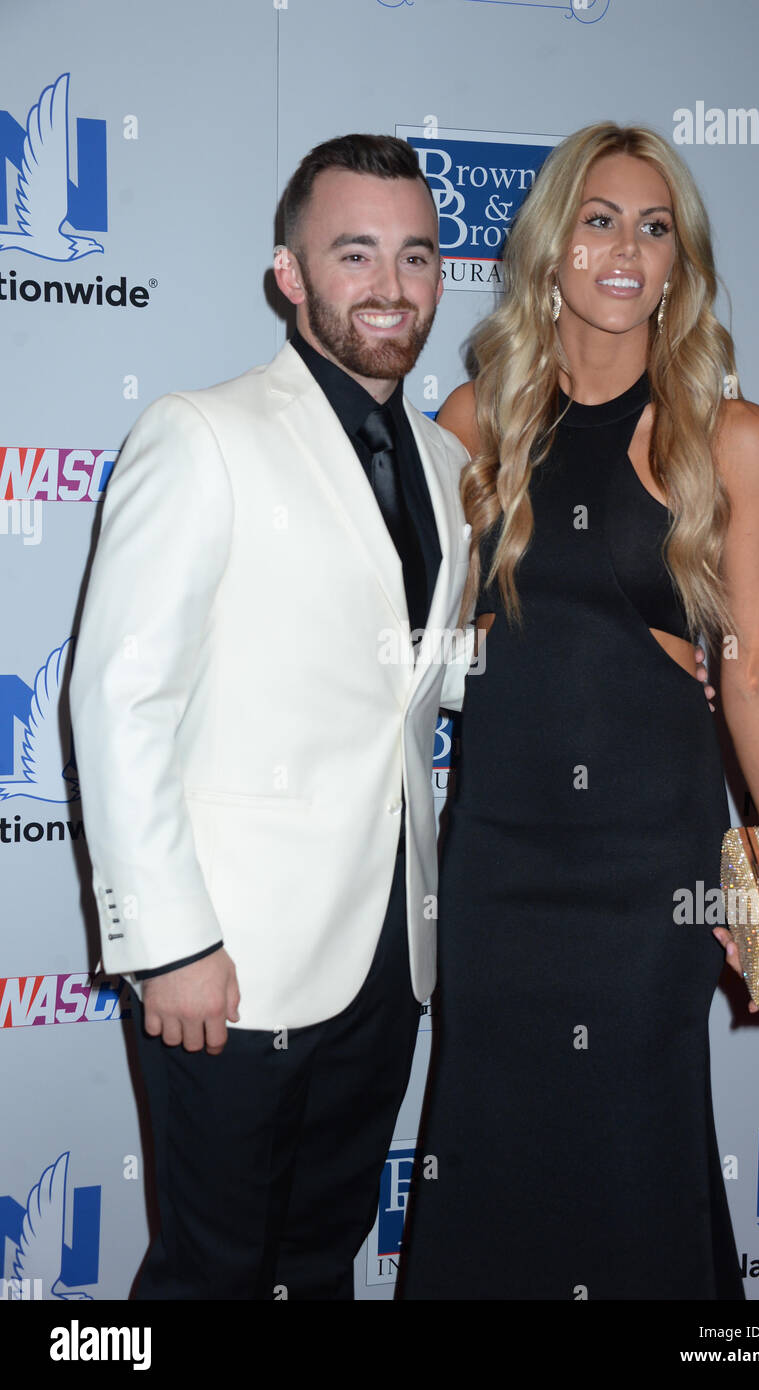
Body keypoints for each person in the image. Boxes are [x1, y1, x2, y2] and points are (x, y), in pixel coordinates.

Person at [398, 123, 759, 1301]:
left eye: (654, 226)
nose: (626, 248)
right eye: (598, 219)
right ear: (550, 251)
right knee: (487, 1145)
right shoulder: (476, 423)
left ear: (680, 264)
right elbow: (409, 649)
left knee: (636, 1153)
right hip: (498, 864)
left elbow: (754, 668)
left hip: (648, 872)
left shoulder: (734, 440)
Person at [69, 134, 473, 1300]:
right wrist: (170, 942)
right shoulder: (204, 435)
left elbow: (417, 682)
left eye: (416, 255)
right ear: (288, 275)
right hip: (228, 963)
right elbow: (119, 693)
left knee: (316, 1259)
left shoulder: (447, 466)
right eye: (354, 254)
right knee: (212, 1270)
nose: (390, 287)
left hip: (388, 953)